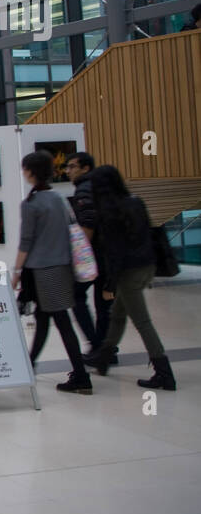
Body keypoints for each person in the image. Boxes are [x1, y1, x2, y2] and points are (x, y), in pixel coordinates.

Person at [84, 166, 175, 389]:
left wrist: (109, 284)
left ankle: (164, 371)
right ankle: (104, 357)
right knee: (117, 314)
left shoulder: (109, 212)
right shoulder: (135, 202)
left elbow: (116, 252)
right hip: (147, 265)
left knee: (142, 322)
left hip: (128, 272)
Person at [12, 150, 93, 394]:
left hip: (41, 270)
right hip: (62, 267)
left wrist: (16, 271)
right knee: (46, 318)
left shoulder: (32, 204)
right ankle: (30, 363)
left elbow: (26, 242)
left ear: (31, 172)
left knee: (58, 320)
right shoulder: (58, 198)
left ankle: (80, 375)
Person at [66, 153, 117, 366]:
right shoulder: (101, 188)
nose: (68, 171)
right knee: (104, 304)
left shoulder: (85, 190)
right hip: (108, 255)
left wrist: (79, 257)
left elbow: (88, 224)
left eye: (72, 166)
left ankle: (98, 346)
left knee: (76, 297)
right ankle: (105, 350)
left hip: (94, 257)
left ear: (85, 168)